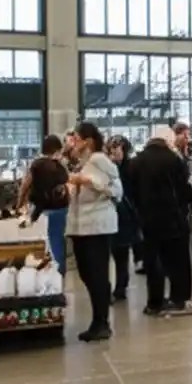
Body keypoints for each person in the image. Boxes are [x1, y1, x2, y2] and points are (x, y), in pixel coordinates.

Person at [127, 125, 192, 316]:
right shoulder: (173, 159)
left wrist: (140, 212)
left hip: (148, 220)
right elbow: (183, 189)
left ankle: (154, 302)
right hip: (173, 219)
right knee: (179, 261)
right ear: (167, 140)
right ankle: (180, 299)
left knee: (153, 263)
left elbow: (130, 193)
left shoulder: (136, 161)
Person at [66, 122, 122, 341]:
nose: (73, 144)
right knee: (88, 273)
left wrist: (86, 181)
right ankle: (99, 319)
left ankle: (101, 322)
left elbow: (115, 189)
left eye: (77, 139)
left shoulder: (99, 160)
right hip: (83, 226)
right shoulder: (85, 162)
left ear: (88, 141)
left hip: (96, 226)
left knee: (96, 273)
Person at [17, 135, 71, 271]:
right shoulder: (60, 165)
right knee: (58, 240)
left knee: (44, 242)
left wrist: (19, 204)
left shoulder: (36, 164)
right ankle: (60, 272)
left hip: (41, 210)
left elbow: (25, 185)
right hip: (61, 209)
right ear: (56, 150)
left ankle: (48, 271)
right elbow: (67, 185)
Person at [104, 135, 140, 302]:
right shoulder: (110, 168)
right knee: (115, 253)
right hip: (113, 215)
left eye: (116, 151)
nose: (113, 155)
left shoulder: (130, 168)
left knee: (121, 254)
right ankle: (119, 287)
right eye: (110, 151)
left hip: (125, 216)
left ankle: (121, 287)